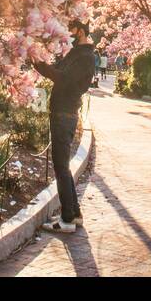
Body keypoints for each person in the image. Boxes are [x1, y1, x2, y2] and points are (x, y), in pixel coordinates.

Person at [32, 19, 98, 233]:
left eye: (70, 28)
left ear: (79, 31)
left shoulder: (85, 57)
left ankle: (67, 219)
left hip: (65, 113)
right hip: (61, 111)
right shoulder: (76, 53)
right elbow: (57, 71)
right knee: (62, 166)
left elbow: (63, 78)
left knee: (61, 166)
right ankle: (74, 213)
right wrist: (38, 61)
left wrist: (40, 65)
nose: (65, 33)